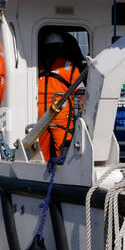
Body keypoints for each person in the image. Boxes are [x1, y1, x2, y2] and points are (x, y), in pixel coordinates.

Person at [37, 29, 84, 162]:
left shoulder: (69, 67)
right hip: (42, 118)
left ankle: (59, 173)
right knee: (40, 156)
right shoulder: (36, 67)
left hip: (62, 117)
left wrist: (79, 114)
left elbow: (80, 93)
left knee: (63, 153)